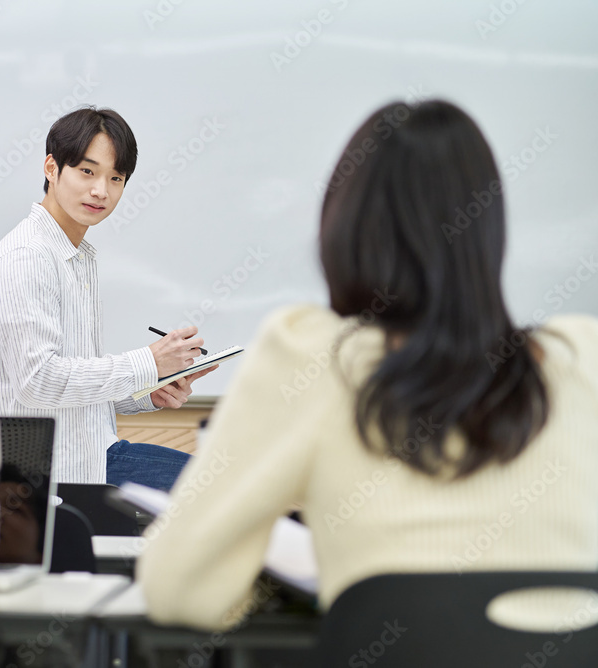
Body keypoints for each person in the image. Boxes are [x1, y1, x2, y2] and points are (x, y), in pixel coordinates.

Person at [137, 100, 598, 630]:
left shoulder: (313, 359)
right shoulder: (579, 360)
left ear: (344, 229)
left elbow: (180, 592)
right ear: (488, 229)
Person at [0, 106, 215, 489]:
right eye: (88, 171)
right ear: (51, 168)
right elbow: (38, 382)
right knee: (220, 488)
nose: (101, 190)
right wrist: (147, 360)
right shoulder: (27, 257)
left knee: (225, 486)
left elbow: (73, 388)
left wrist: (149, 391)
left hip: (89, 456)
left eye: (116, 178)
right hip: (43, 479)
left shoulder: (76, 256)